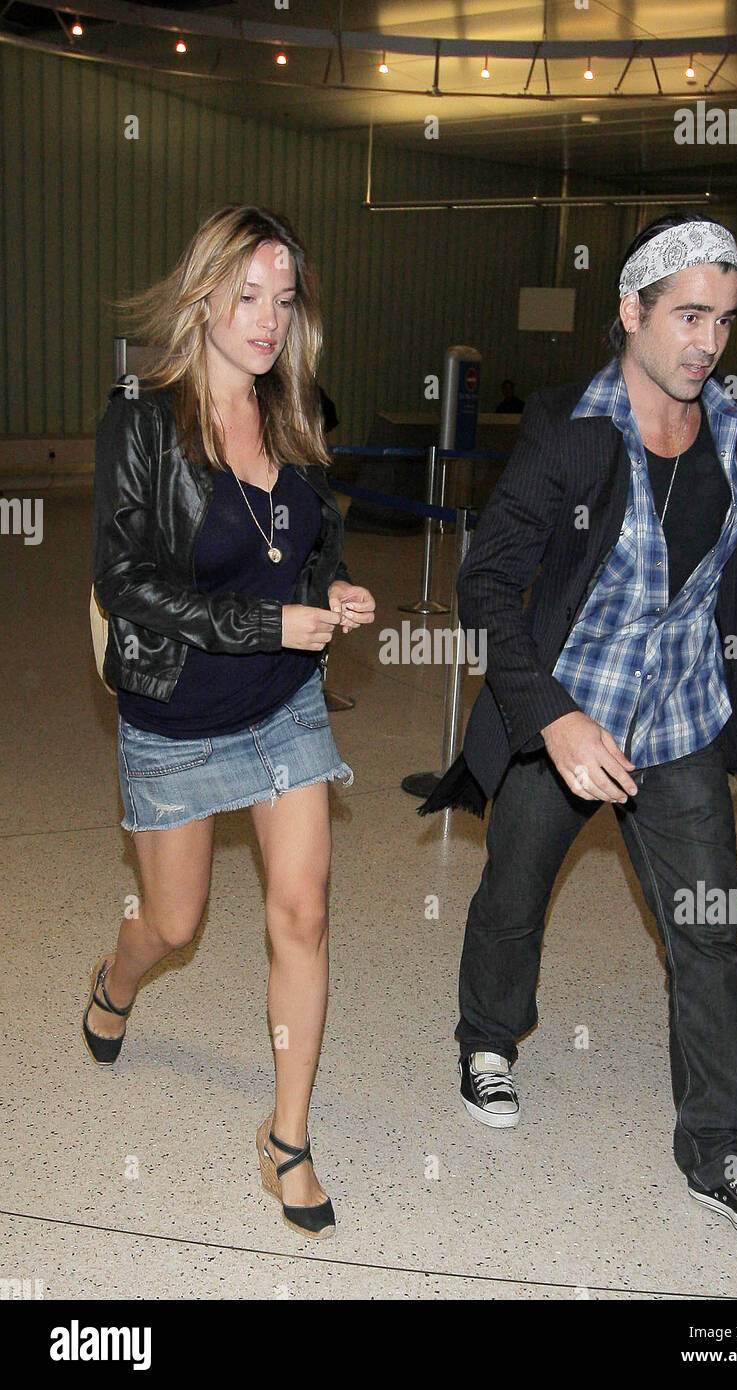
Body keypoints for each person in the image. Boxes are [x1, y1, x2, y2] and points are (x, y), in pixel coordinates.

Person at [421, 212, 737, 1239]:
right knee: (514, 889)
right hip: (569, 702)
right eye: (685, 315)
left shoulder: (723, 421)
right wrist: (548, 717)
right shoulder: (566, 430)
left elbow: (736, 547)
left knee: (705, 933)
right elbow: (488, 583)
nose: (706, 342)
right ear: (627, 311)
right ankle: (486, 1037)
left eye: (721, 320)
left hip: (675, 711)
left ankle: (721, 1150)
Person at [87, 204, 375, 1239]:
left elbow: (313, 533)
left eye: (283, 298)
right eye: (246, 295)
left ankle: (286, 1137)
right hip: (176, 712)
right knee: (173, 923)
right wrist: (267, 618)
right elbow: (122, 580)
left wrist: (332, 588)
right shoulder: (142, 416)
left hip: (281, 701)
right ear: (202, 293)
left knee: (301, 914)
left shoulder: (297, 410)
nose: (265, 319)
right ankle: (114, 981)